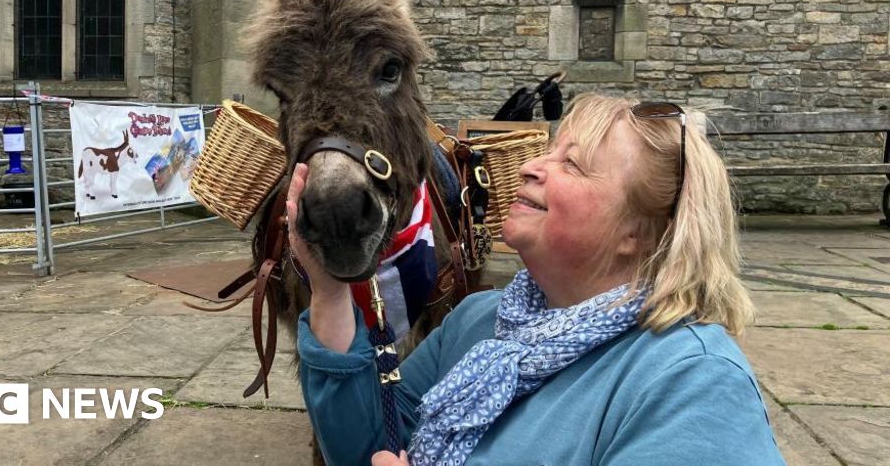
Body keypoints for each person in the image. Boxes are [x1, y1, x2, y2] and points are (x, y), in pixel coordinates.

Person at [286, 93, 786, 466]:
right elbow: (369, 445)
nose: (529, 167)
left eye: (571, 164)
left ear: (637, 231)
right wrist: (329, 289)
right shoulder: (479, 321)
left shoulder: (689, 380)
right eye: (547, 151)